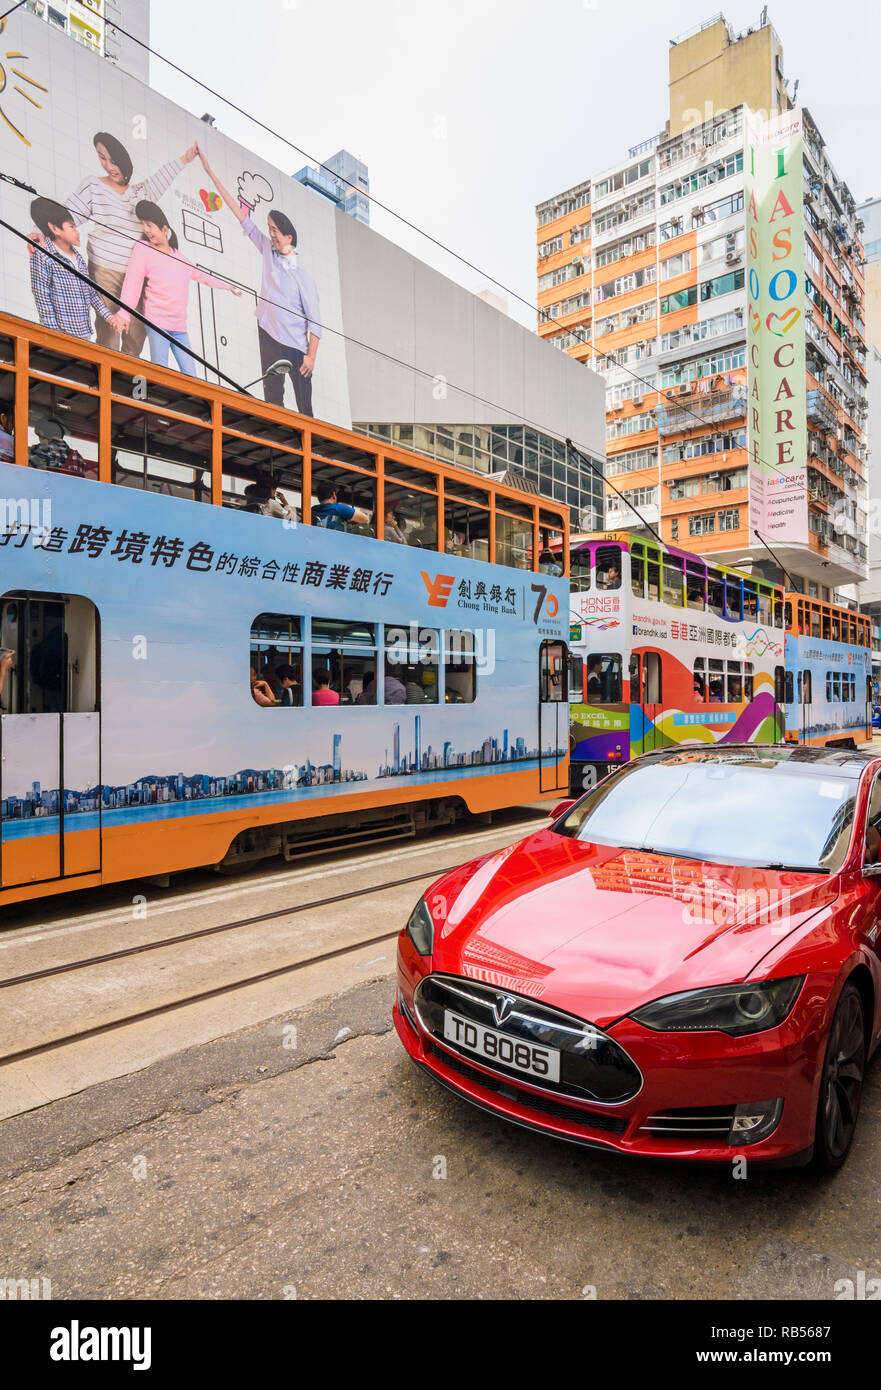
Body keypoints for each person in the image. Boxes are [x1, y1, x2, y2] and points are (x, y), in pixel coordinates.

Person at [198, 147, 320, 414]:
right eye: (270, 229)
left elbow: (316, 324)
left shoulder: (303, 277)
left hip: (296, 348)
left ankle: (308, 454)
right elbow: (242, 217)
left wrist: (311, 356)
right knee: (272, 400)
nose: (271, 234)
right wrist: (210, 172)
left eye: (275, 230)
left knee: (304, 408)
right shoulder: (267, 250)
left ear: (289, 237)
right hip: (267, 335)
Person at [65, 131, 199, 355]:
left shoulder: (140, 192)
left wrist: (185, 158)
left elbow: (162, 176)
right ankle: (105, 379)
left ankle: (125, 384)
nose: (109, 166)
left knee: (136, 334)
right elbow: (67, 214)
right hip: (105, 269)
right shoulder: (93, 185)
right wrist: (39, 231)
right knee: (109, 331)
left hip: (137, 275)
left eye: (114, 160)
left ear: (124, 161)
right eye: (102, 158)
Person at [116, 201, 241, 375]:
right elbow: (133, 282)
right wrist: (124, 313)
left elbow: (204, 277)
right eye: (142, 224)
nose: (145, 229)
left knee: (192, 376)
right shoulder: (142, 248)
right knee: (161, 371)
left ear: (165, 230)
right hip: (157, 323)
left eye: (150, 225)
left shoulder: (180, 259)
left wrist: (228, 286)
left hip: (179, 327)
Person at [28, 198, 127, 341]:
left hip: (83, 334)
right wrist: (53, 334)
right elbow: (42, 297)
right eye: (71, 227)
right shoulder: (43, 255)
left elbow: (91, 293)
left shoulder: (79, 258)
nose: (77, 232)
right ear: (55, 229)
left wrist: (109, 317)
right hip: (59, 336)